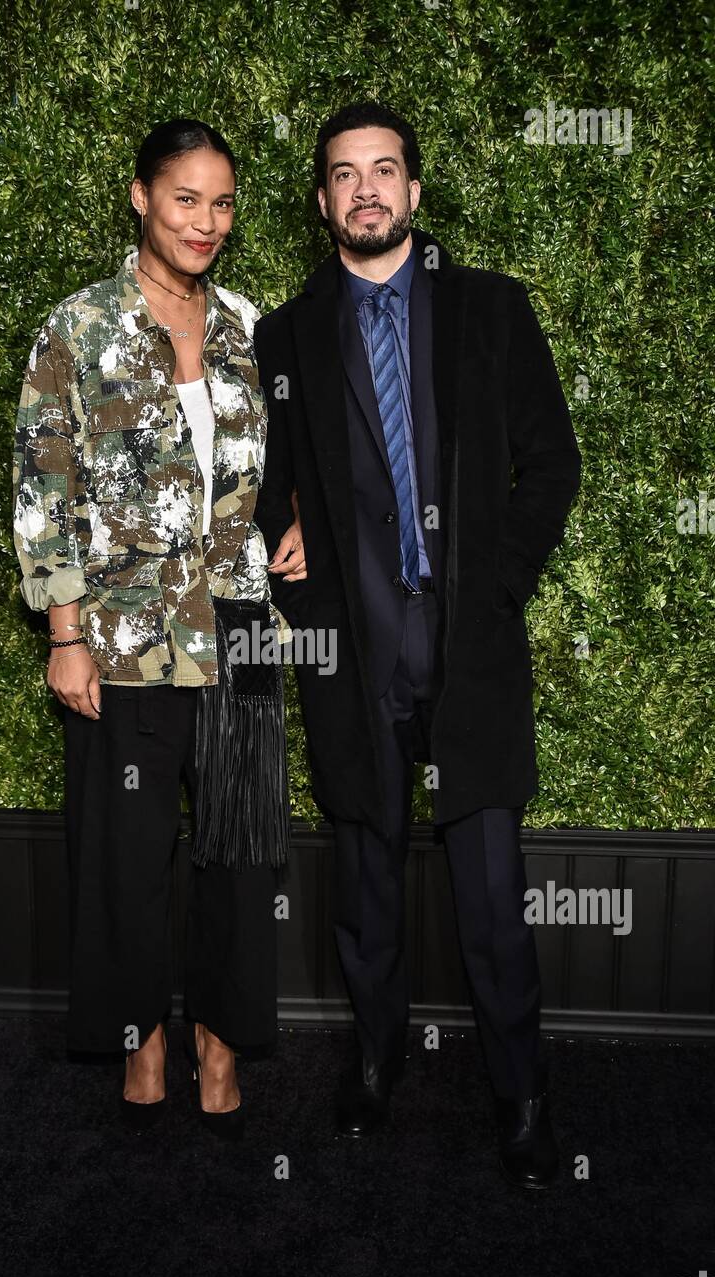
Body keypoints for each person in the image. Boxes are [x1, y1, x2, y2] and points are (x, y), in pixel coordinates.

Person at [254, 101, 582, 1186]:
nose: (367, 191)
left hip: (469, 646)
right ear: (322, 201)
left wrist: (496, 590)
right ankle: (375, 1061)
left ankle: (522, 1094)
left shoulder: (491, 308)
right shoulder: (287, 335)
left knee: (492, 895)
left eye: (384, 170)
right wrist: (287, 529)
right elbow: (265, 485)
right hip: (355, 651)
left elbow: (553, 464)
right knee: (366, 883)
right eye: (345, 175)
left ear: (415, 190)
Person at [11, 118, 297, 1140]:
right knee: (126, 862)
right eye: (186, 199)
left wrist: (297, 521)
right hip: (123, 640)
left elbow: (284, 459)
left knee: (241, 855)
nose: (205, 222)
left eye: (222, 203)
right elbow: (44, 486)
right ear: (141, 197)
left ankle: (221, 1041)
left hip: (243, 631)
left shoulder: (250, 326)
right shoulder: (78, 327)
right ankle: (143, 1044)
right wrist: (65, 635)